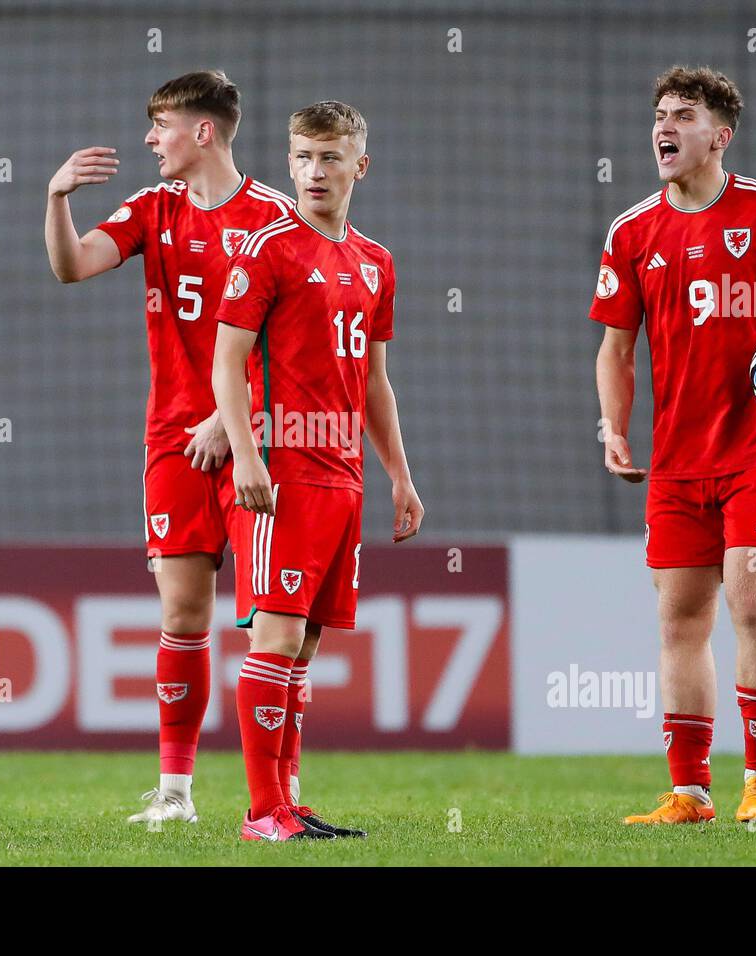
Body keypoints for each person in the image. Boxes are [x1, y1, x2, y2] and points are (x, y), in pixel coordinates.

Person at [590, 67, 756, 824]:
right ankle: (689, 793)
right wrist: (614, 426)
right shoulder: (632, 230)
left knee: (750, 603)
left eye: (682, 114)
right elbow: (616, 348)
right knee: (680, 620)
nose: (663, 127)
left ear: (720, 134)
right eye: (658, 115)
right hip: (677, 462)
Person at [44, 70, 294, 825]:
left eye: (161, 126)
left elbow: (297, 342)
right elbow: (71, 265)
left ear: (204, 132)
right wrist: (56, 199)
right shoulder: (155, 209)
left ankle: (280, 800)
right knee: (185, 615)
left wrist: (232, 418)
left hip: (255, 439)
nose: (151, 140)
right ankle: (176, 795)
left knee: (279, 624)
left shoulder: (275, 219)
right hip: (172, 442)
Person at [212, 101, 424, 840]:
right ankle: (261, 811)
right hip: (280, 475)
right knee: (273, 637)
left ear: (359, 166)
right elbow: (228, 360)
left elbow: (373, 382)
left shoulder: (375, 262)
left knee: (305, 645)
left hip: (343, 478)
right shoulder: (268, 249)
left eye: (331, 157)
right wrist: (245, 454)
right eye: (302, 157)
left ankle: (289, 801)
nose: (314, 171)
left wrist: (398, 474)